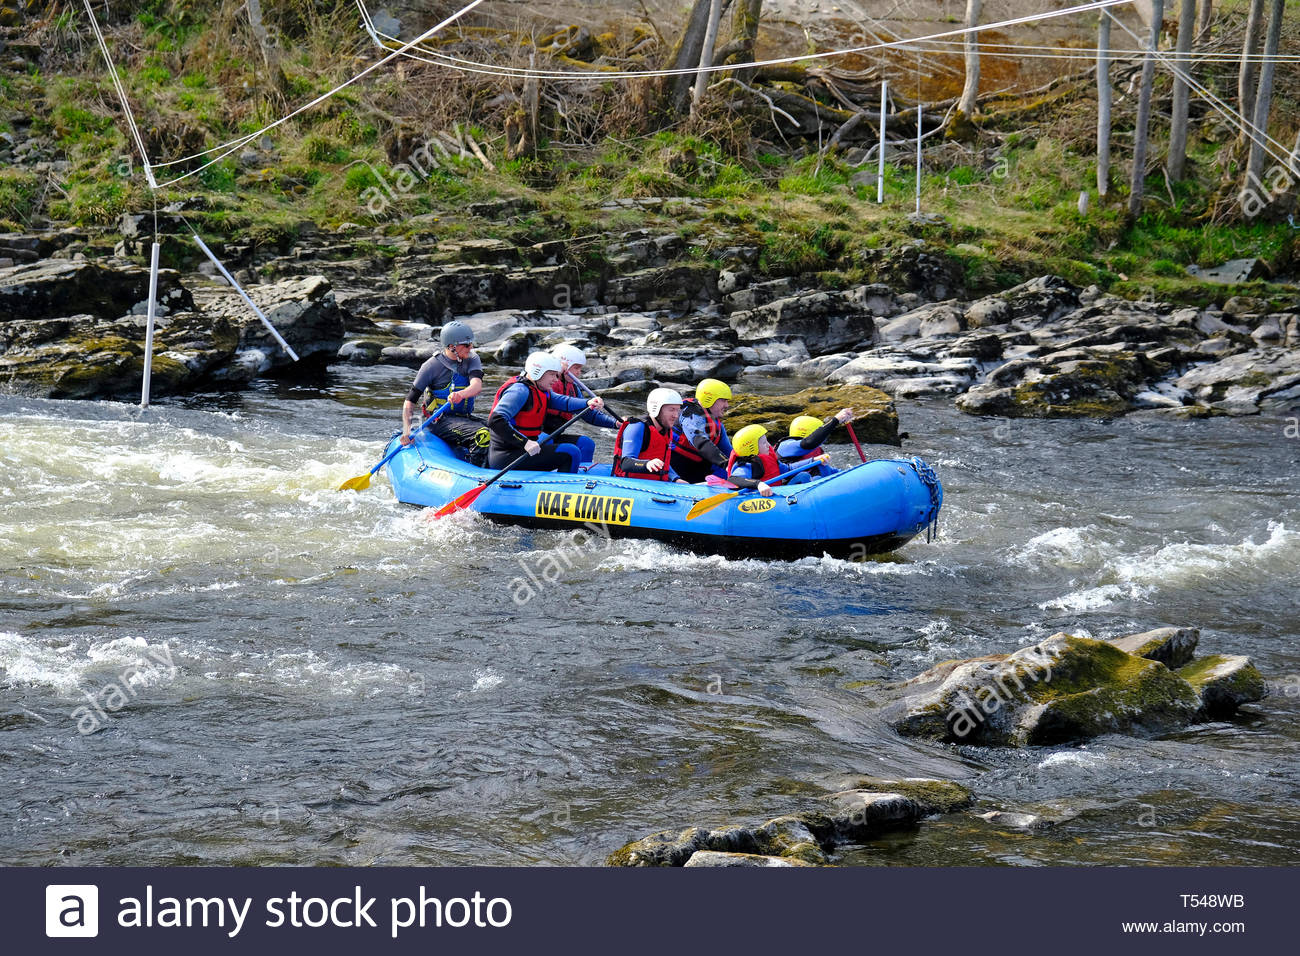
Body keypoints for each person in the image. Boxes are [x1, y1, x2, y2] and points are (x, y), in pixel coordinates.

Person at [488, 352, 606, 473]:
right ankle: (565, 487)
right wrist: (525, 442)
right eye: (552, 375)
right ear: (537, 372)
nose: (556, 380)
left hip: (523, 450)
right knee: (571, 452)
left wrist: (587, 403)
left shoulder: (541, 390)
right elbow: (495, 420)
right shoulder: (519, 391)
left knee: (582, 444)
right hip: (507, 456)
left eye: (556, 375)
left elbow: (565, 402)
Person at [400, 320, 489, 460]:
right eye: (466, 344)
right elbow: (410, 401)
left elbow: (476, 386)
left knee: (499, 430)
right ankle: (476, 472)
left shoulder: (473, 359)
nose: (470, 347)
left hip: (464, 418)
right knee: (483, 434)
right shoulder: (430, 366)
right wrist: (406, 430)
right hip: (439, 421)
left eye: (471, 343)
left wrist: (460, 394)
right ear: (452, 346)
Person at [545, 344, 619, 464]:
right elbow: (557, 400)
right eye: (576, 368)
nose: (579, 372)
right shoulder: (545, 384)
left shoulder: (573, 388)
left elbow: (589, 415)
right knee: (557, 445)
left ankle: (581, 477)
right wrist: (586, 402)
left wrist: (615, 423)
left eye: (580, 368)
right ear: (564, 366)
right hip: (536, 437)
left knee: (586, 444)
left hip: (553, 435)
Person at [613, 388, 689, 483]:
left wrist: (675, 479)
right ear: (656, 409)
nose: (676, 415)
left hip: (655, 485)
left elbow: (664, 463)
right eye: (671, 410)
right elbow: (626, 463)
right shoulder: (637, 427)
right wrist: (646, 464)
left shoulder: (666, 430)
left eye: (677, 410)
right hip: (629, 485)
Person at [672, 378, 734, 484]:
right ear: (709, 398)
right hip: (677, 470)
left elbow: (729, 451)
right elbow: (701, 443)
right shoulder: (690, 413)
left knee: (736, 467)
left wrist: (743, 464)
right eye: (723, 400)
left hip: (697, 470)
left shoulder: (716, 422)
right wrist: (725, 463)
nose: (727, 405)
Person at [726, 424, 810, 497]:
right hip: (761, 501)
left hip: (776, 493)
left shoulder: (769, 458)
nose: (768, 445)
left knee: (803, 476)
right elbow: (733, 479)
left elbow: (788, 469)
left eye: (767, 441)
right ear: (752, 448)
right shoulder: (746, 465)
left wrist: (813, 460)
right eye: (764, 443)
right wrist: (758, 484)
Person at [776, 408, 855, 478]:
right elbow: (809, 443)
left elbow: (832, 471)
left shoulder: (816, 450)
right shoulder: (786, 446)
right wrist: (836, 420)